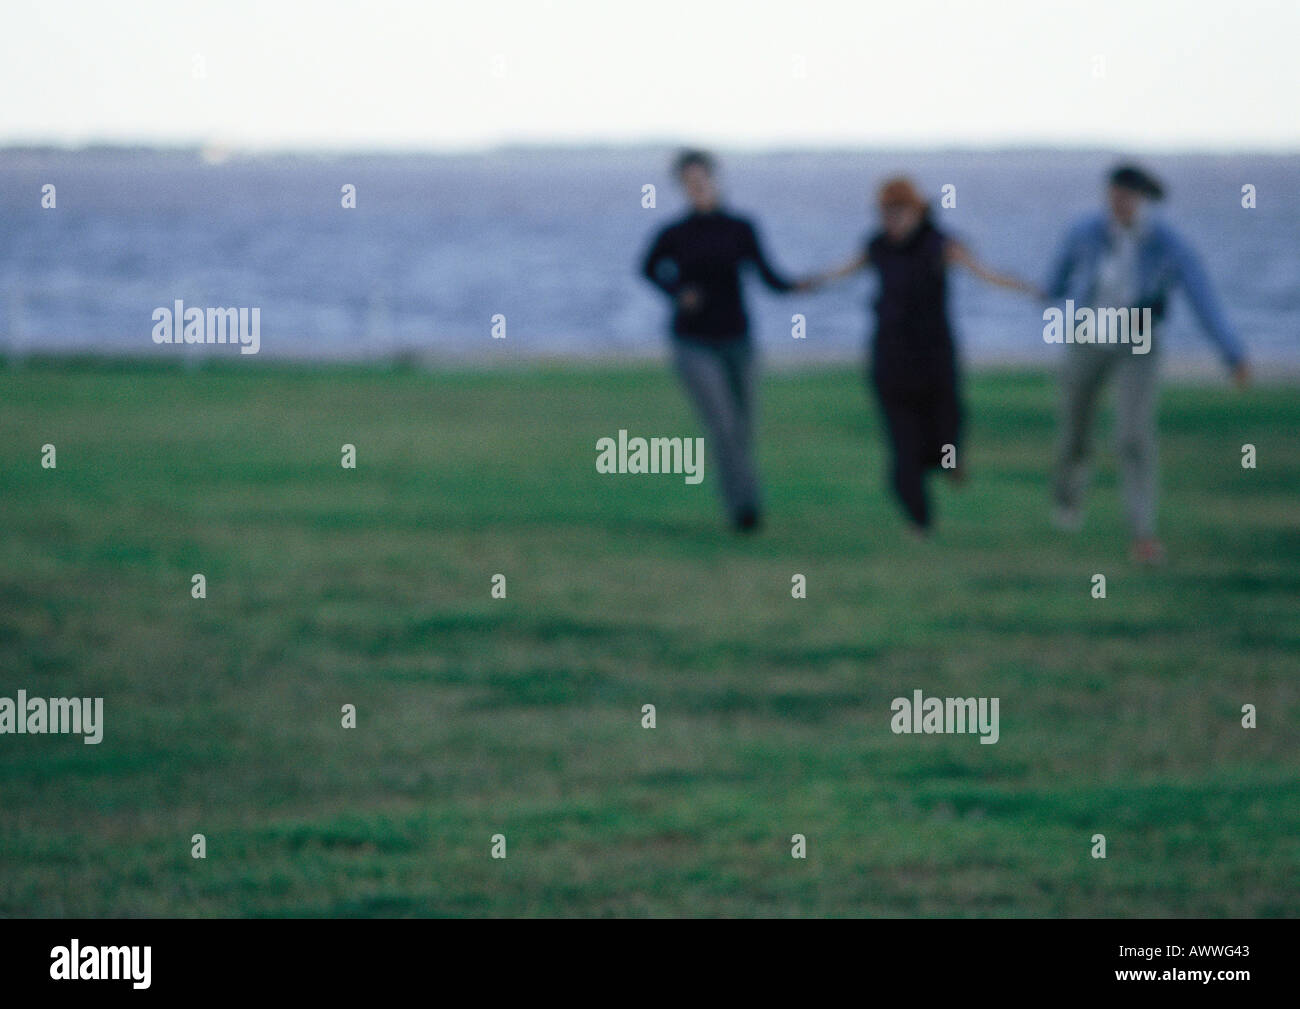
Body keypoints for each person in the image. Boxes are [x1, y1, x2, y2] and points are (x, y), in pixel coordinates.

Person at [1044, 163, 1250, 565]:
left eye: (1127, 196)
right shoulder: (1084, 230)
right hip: (1088, 330)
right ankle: (1067, 498)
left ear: (1141, 200)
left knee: (1134, 435)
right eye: (1113, 194)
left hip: (1138, 334)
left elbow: (1201, 295)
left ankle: (1142, 533)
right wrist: (1045, 293)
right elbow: (1058, 279)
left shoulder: (1167, 243)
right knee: (1075, 429)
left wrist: (1232, 353)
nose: (1118, 202)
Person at [812, 177, 1037, 536]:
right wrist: (804, 284)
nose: (893, 221)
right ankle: (920, 521)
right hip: (891, 358)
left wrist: (1031, 290)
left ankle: (950, 464)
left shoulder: (941, 244)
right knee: (902, 453)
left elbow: (985, 274)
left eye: (900, 213)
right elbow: (841, 271)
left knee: (945, 431)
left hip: (933, 358)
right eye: (886, 213)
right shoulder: (877, 246)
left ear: (917, 211)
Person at [641, 150, 809, 532]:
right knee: (723, 425)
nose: (697, 187)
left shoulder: (740, 228)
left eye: (702, 179)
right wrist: (677, 291)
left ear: (715, 179)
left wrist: (804, 284)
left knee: (744, 427)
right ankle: (744, 511)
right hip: (693, 344)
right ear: (682, 186)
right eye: (689, 181)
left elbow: (769, 277)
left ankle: (746, 502)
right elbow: (648, 268)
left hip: (738, 340)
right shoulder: (675, 233)